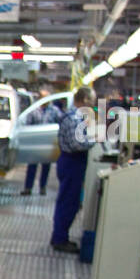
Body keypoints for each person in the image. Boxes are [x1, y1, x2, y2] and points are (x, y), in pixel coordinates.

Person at [50, 86, 97, 253]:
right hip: (71, 163)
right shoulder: (73, 119)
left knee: (70, 201)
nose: (92, 105)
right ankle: (60, 239)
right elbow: (77, 144)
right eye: (91, 102)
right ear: (83, 100)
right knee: (68, 202)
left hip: (73, 163)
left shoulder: (78, 118)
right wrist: (94, 139)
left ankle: (59, 236)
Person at [20, 84, 62, 195]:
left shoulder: (55, 110)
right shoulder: (34, 110)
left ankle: (42, 187)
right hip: (35, 142)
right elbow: (27, 124)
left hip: (48, 143)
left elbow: (61, 123)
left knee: (46, 166)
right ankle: (28, 188)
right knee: (31, 166)